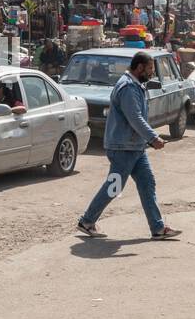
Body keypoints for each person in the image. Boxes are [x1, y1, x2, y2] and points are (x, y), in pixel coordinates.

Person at [76, 51, 180, 240]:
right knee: (114, 187)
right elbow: (135, 118)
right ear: (139, 67)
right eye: (149, 69)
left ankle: (157, 228)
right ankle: (87, 221)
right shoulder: (128, 88)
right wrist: (153, 138)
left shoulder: (135, 85)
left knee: (147, 184)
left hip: (135, 147)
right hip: (122, 148)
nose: (151, 73)